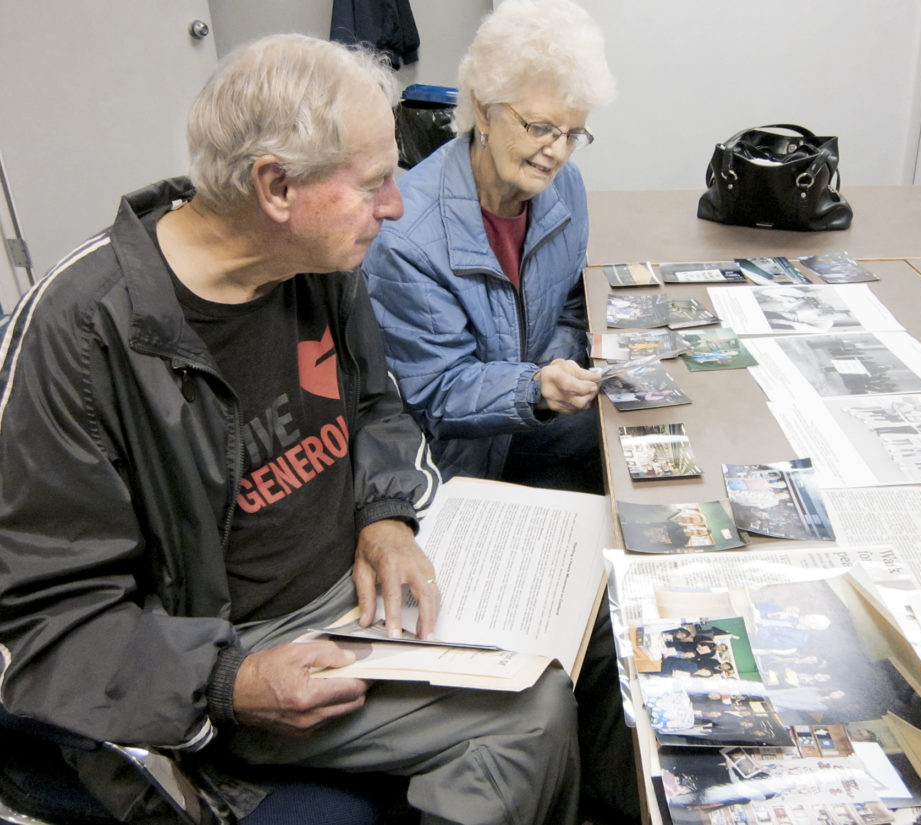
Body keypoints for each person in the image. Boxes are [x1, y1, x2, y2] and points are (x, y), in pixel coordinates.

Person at [0, 34, 582, 825]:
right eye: (374, 183)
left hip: (358, 595)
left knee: (586, 617)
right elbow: (46, 623)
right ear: (276, 186)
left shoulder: (320, 267)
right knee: (530, 710)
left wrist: (385, 515)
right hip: (232, 647)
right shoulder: (77, 338)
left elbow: (376, 408)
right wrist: (228, 681)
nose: (395, 205)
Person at [364, 0, 616, 495]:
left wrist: (559, 373)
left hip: (527, 421)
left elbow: (569, 305)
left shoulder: (565, 188)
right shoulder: (406, 237)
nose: (556, 152)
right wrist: (535, 387)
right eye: (540, 127)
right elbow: (433, 392)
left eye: (572, 134)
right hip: (452, 460)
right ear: (482, 108)